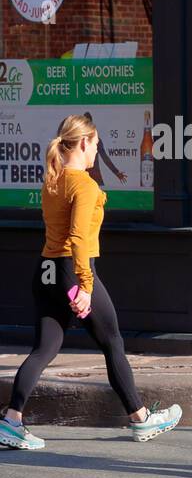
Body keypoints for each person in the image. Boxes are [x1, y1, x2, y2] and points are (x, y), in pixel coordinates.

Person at [0, 114, 182, 450]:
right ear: (84, 143)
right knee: (112, 341)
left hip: (46, 270)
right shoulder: (83, 185)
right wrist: (85, 285)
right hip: (74, 270)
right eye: (96, 144)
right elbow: (79, 237)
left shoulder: (52, 180)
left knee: (44, 349)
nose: (97, 151)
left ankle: (12, 420)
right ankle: (140, 419)